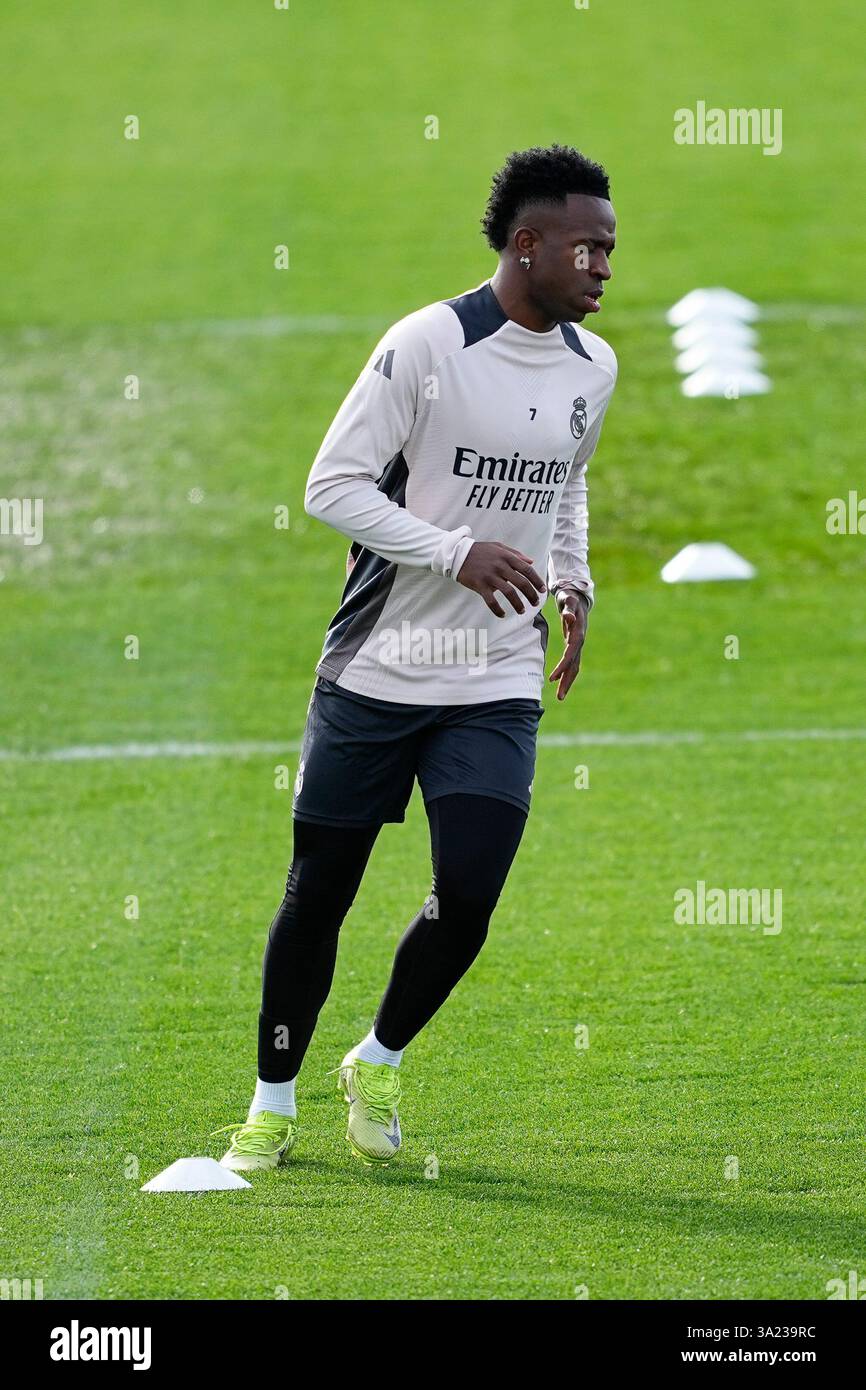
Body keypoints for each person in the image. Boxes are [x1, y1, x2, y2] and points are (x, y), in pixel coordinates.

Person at [216, 144, 617, 1171]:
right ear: (525, 245)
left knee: (469, 891)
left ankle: (379, 1055)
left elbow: (563, 482)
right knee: (320, 894)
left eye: (609, 250)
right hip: (378, 670)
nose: (603, 268)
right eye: (586, 247)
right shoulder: (426, 346)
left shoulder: (591, 367)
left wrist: (569, 578)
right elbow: (332, 486)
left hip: (492, 675)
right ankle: (271, 1102)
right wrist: (453, 550)